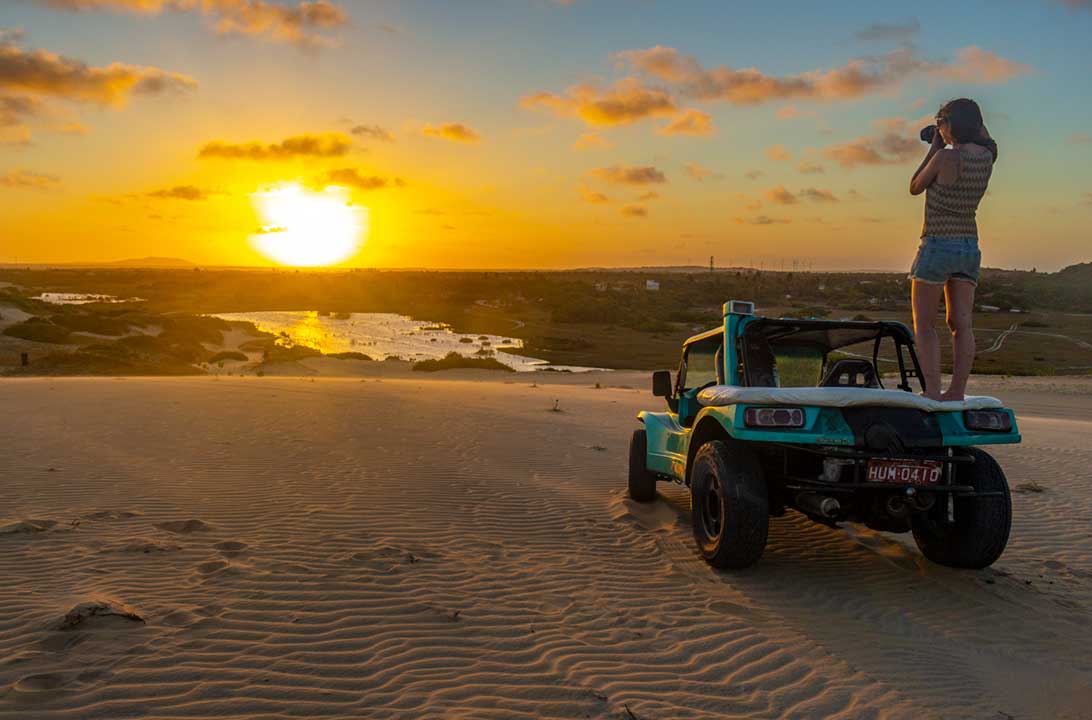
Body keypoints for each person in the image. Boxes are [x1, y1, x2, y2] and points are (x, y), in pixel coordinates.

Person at [908, 98, 995, 401]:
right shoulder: (986, 156)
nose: (940, 129)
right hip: (969, 245)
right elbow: (984, 136)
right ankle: (956, 391)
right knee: (961, 324)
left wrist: (934, 146)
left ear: (951, 124)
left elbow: (915, 186)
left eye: (942, 122)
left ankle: (932, 391)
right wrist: (950, 130)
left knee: (925, 324)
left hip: (937, 243)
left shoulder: (944, 157)